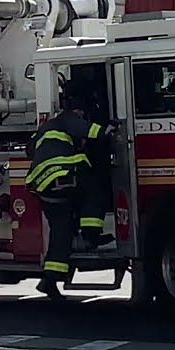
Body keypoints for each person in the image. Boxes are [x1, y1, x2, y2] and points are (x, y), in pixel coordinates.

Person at [23, 92, 118, 300]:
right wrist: (108, 130)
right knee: (95, 188)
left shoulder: (44, 128)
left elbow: (30, 150)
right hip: (60, 175)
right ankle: (91, 235)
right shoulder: (67, 118)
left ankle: (49, 280)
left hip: (43, 185)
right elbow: (89, 130)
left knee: (61, 231)